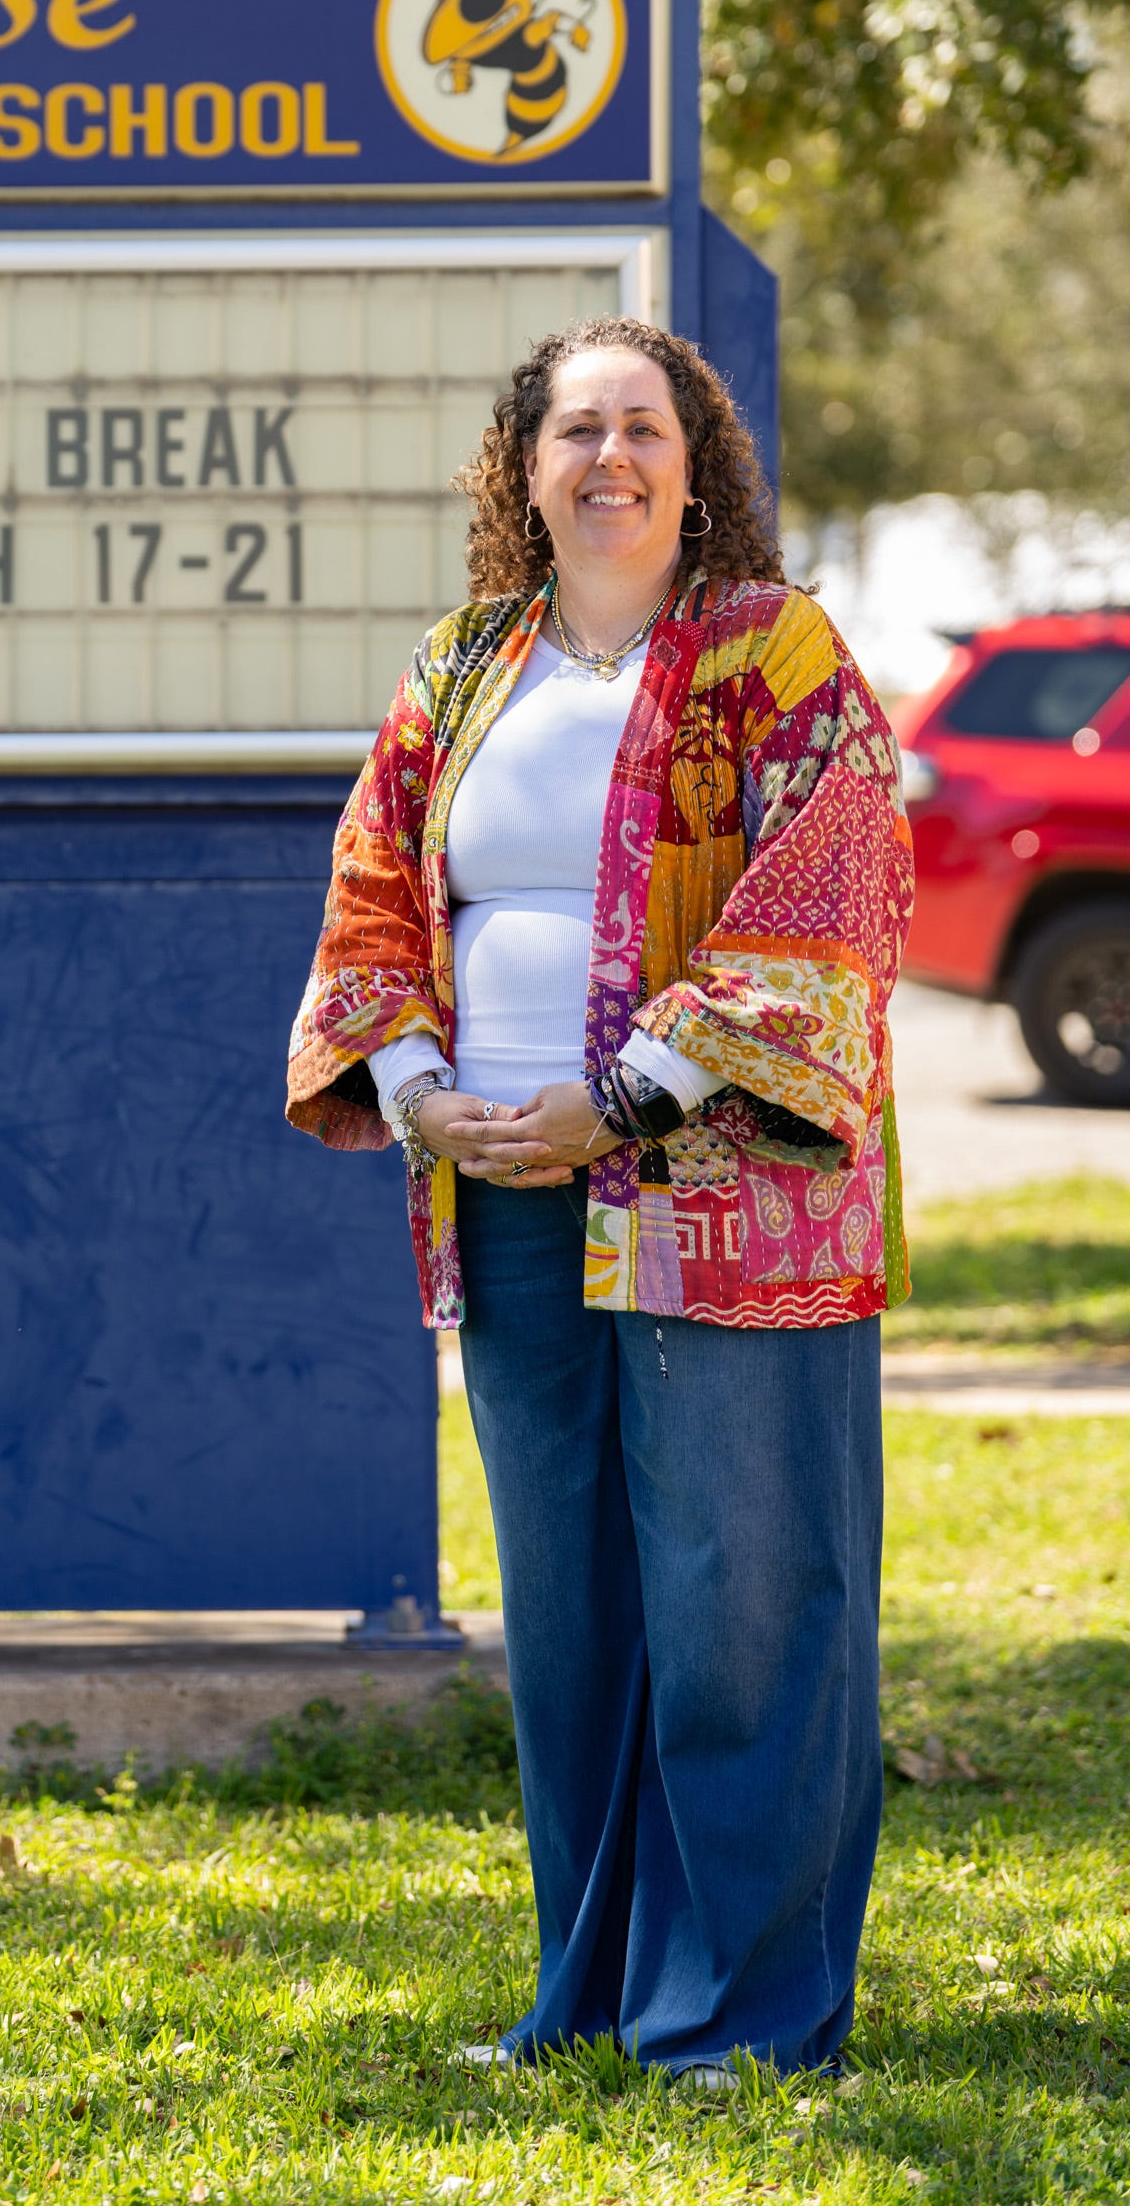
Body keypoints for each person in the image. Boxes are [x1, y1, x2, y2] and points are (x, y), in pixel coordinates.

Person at [286, 317, 913, 2082]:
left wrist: (627, 1096)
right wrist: (420, 1093)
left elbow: (839, 884)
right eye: (577, 432)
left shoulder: (773, 655)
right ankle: (591, 1994)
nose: (611, 460)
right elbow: (372, 896)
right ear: (526, 465)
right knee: (574, 1617)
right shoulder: (465, 666)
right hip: (501, 1191)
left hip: (733, 1199)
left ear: (694, 463)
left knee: (748, 1595)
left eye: (644, 429)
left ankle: (746, 2012)